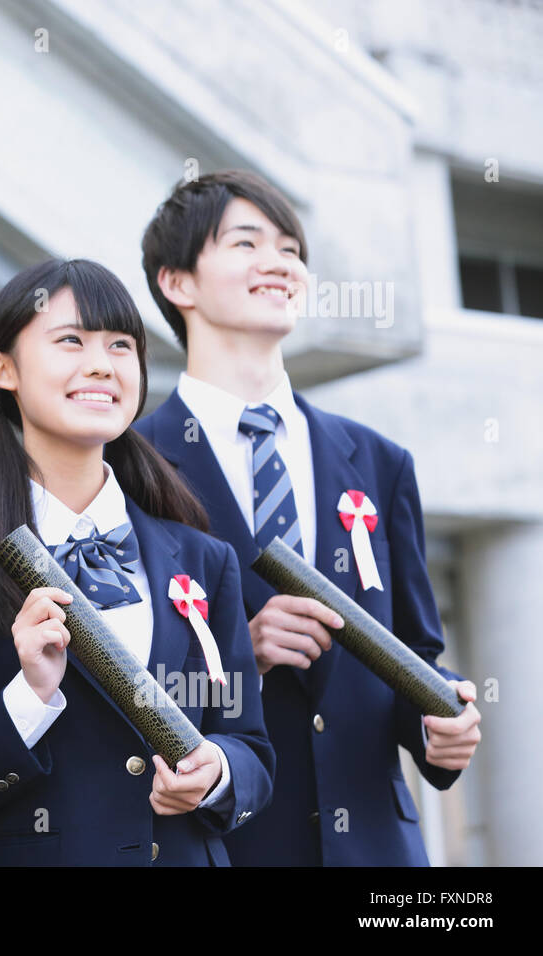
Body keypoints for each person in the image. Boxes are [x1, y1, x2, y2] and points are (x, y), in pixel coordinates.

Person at [133, 170, 483, 865]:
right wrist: (242, 657)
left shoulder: (379, 462)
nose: (280, 263)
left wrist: (441, 730)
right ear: (178, 283)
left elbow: (416, 658)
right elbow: (119, 685)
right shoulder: (134, 466)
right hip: (228, 844)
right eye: (247, 242)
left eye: (292, 249)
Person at [0, 259, 273, 865]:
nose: (101, 364)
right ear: (2, 368)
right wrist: (30, 695)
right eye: (70, 340)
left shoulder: (203, 558)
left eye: (121, 345)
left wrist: (218, 771)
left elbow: (249, 743)